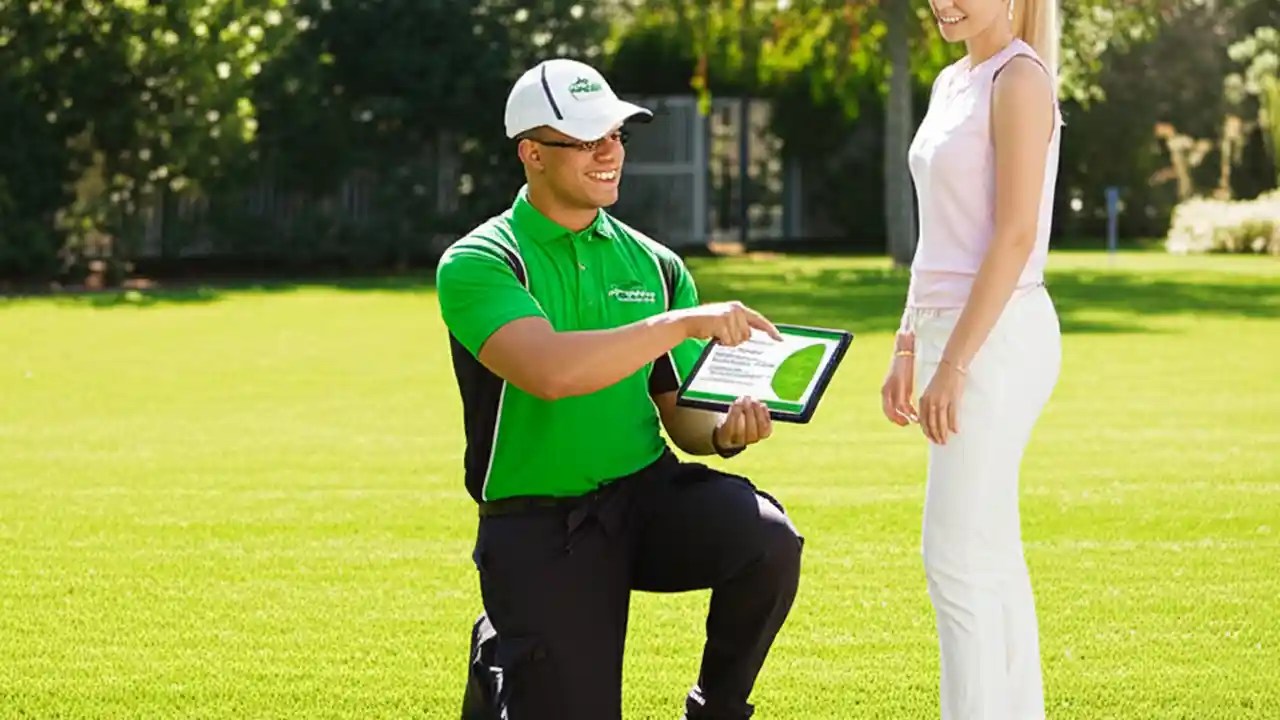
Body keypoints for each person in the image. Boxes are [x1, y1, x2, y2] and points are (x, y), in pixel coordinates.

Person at [438, 58, 803, 720]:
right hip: (540, 525)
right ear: (532, 154)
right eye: (585, 140)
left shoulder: (655, 264)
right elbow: (549, 372)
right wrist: (680, 322)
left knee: (769, 540)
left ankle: (716, 709)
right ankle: (507, 655)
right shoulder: (481, 261)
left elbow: (683, 418)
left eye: (616, 136)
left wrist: (723, 433)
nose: (609, 153)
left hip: (645, 497)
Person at [880, 0, 1063, 718]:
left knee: (953, 559)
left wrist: (953, 363)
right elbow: (938, 235)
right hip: (946, 331)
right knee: (987, 554)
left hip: (998, 337)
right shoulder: (952, 81)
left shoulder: (1020, 80)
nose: (944, 3)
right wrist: (906, 342)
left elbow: (1014, 235)